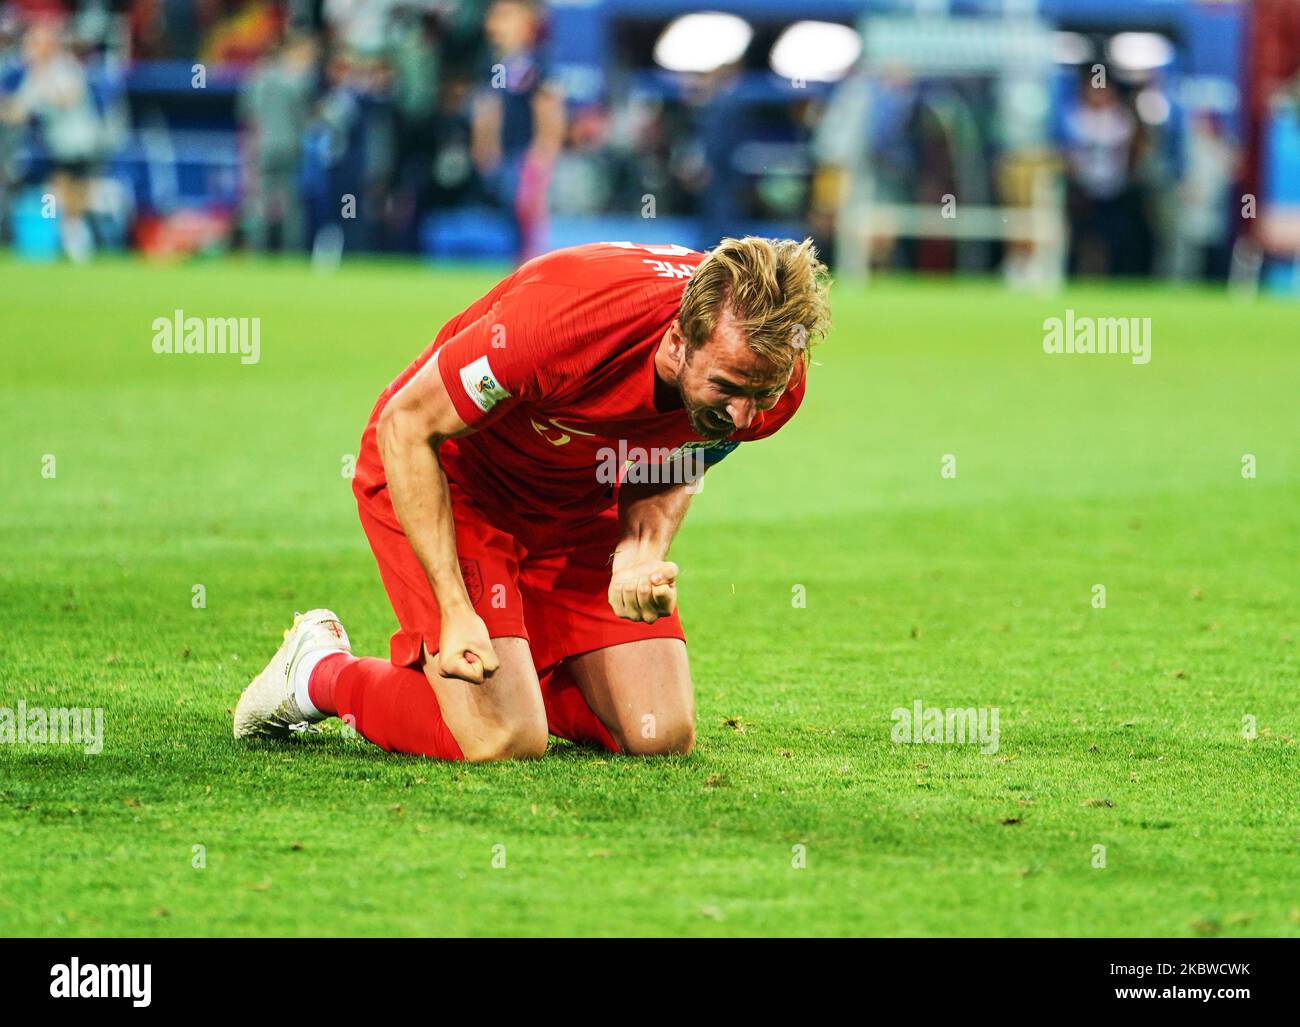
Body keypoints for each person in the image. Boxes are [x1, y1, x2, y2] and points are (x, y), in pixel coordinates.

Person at [233, 237, 831, 761]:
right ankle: (317, 673)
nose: (745, 415)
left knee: (658, 733)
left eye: (762, 394)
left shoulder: (766, 379)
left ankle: (513, 677)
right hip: (452, 483)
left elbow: (680, 450)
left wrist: (643, 548)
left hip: (575, 501)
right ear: (677, 342)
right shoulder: (562, 319)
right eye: (727, 389)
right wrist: (454, 607)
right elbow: (407, 426)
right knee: (503, 740)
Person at [470, 0, 564, 261]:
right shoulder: (492, 62)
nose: (494, 24)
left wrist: (544, 150)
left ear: (527, 23)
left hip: (526, 153)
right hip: (506, 152)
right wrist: (484, 145)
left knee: (529, 211)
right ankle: (520, 263)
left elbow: (549, 108)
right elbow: (488, 108)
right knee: (512, 212)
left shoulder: (535, 62)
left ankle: (533, 262)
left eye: (505, 16)